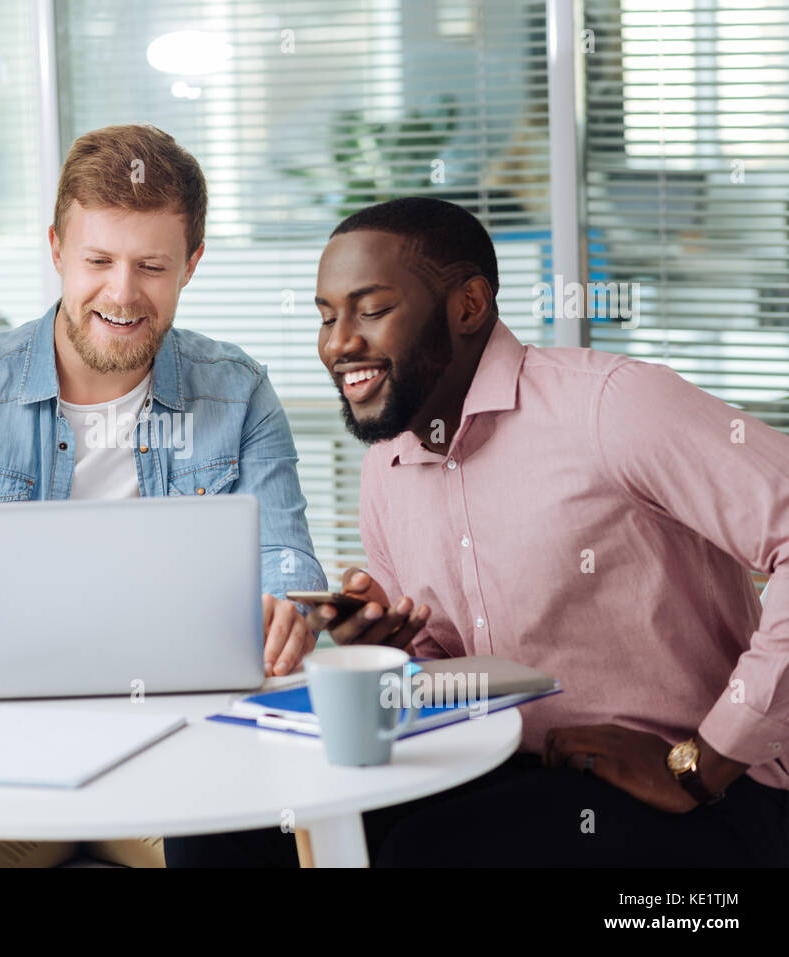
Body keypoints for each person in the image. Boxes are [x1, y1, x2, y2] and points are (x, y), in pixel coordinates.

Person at [167, 195, 789, 867]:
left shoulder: (610, 406)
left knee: (429, 851)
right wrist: (394, 654)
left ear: (468, 305)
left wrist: (702, 760)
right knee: (223, 821)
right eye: (326, 317)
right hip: (500, 765)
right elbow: (458, 662)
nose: (338, 342)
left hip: (707, 790)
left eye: (371, 311)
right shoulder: (388, 466)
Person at [0, 123, 327, 867]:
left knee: (268, 842)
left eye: (151, 265)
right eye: (98, 260)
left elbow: (289, 563)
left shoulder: (239, 392)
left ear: (191, 264)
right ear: (56, 251)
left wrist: (284, 610)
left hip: (181, 750)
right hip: (6, 752)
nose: (122, 292)